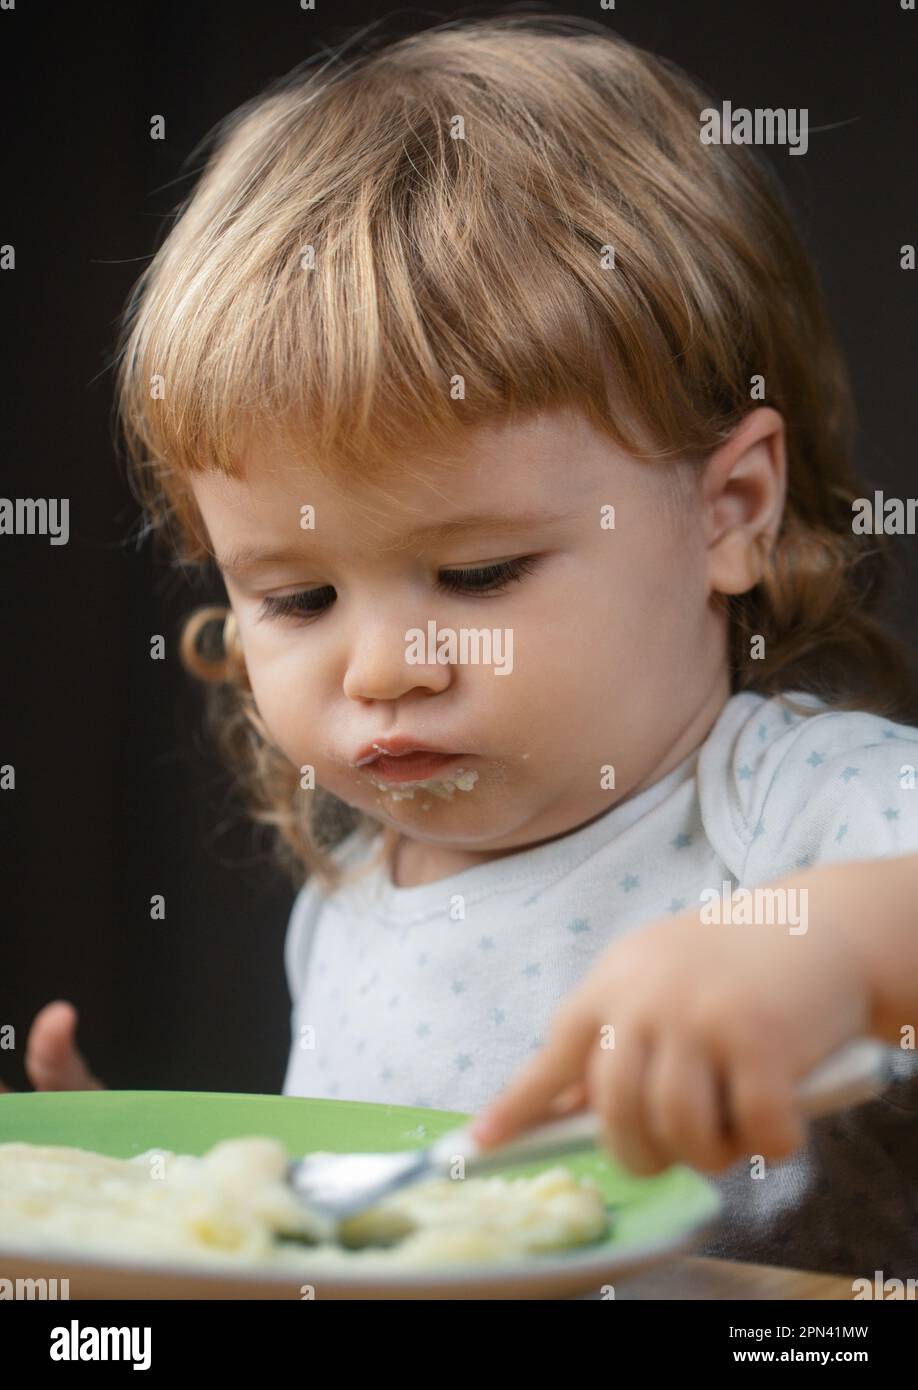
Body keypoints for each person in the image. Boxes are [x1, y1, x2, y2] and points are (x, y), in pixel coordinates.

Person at [6, 14, 918, 1277]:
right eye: (300, 598)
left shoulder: (785, 809)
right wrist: (146, 1205)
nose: (385, 667)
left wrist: (838, 939)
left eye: (479, 572)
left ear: (731, 512)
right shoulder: (355, 894)